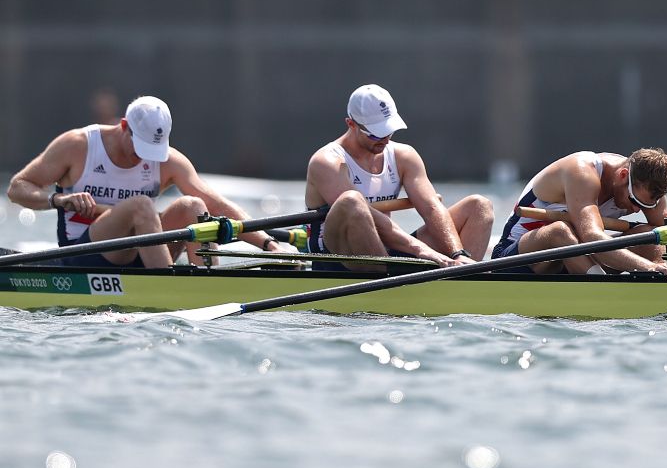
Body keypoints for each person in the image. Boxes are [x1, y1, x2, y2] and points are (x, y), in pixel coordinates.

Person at [7, 95, 283, 268]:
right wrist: (58, 199)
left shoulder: (169, 160)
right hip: (85, 254)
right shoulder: (78, 145)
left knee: (195, 206)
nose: (145, 157)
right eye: (140, 147)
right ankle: (167, 287)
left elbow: (217, 205)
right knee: (141, 206)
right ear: (124, 126)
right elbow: (18, 187)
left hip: (143, 253)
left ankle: (208, 282)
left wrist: (269, 245)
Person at [304, 84, 494, 269]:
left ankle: (463, 273)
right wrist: (422, 250)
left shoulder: (403, 156)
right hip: (339, 256)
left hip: (387, 248)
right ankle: (389, 276)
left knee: (479, 206)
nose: (385, 140)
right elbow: (367, 215)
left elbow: (431, 208)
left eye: (389, 131)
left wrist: (456, 253)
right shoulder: (327, 162)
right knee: (352, 201)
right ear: (351, 124)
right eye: (376, 134)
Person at [491, 148, 667, 274]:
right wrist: (647, 266)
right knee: (560, 232)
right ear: (622, 175)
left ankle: (666, 282)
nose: (636, 209)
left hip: (573, 262)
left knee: (649, 235)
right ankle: (603, 287)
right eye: (634, 201)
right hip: (516, 259)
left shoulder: (645, 187)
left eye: (646, 205)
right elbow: (591, 237)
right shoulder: (582, 172)